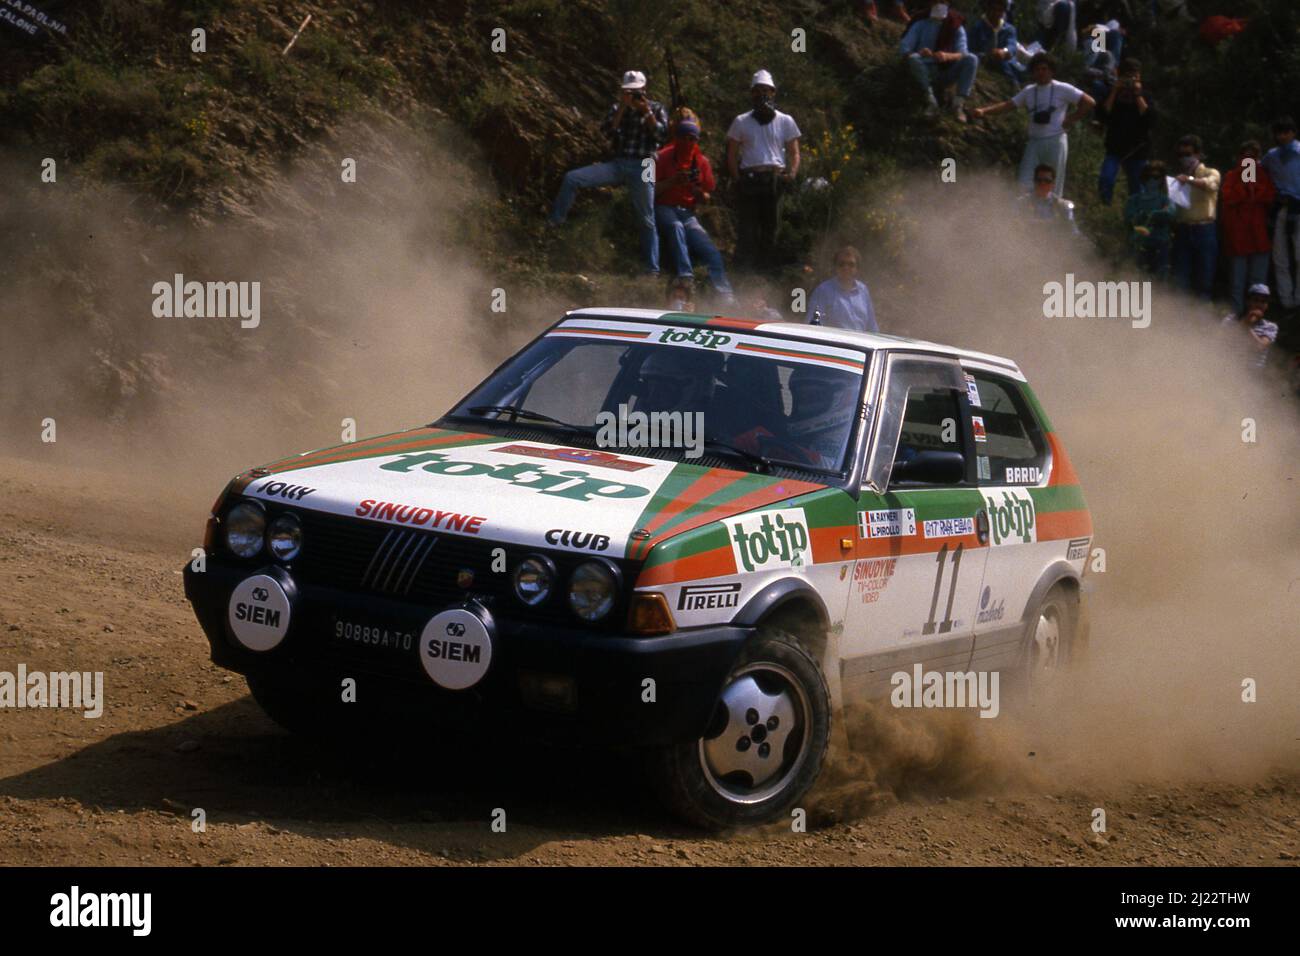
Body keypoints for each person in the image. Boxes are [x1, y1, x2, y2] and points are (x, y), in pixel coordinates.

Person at [549, 70, 668, 275]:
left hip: (645, 164)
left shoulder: (656, 108)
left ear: (644, 90)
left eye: (636, 91)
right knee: (572, 178)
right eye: (628, 91)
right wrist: (622, 108)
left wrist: (646, 111)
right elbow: (606, 134)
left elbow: (661, 134)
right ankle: (554, 225)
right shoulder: (617, 108)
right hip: (619, 163)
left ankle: (652, 269)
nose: (633, 95)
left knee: (646, 217)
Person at [971, 52, 1094, 198]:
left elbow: (1089, 102)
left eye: (1044, 69)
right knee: (1024, 183)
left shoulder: (1063, 88)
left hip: (1056, 141)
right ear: (1033, 72)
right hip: (1034, 142)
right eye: (1037, 70)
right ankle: (1024, 217)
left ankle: (1053, 218)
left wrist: (1071, 119)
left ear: (1051, 70)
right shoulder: (1029, 91)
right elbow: (1008, 105)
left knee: (1053, 185)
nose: (1041, 72)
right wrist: (984, 111)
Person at [726, 70, 802, 272]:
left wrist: (791, 174)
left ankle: (766, 273)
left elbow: (794, 152)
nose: (761, 95)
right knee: (747, 228)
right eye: (757, 91)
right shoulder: (741, 121)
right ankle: (743, 273)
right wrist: (737, 179)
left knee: (771, 228)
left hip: (774, 178)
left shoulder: (785, 120)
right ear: (751, 94)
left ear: (773, 92)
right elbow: (732, 154)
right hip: (750, 178)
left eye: (765, 90)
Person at [654, 118, 735, 304]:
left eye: (693, 139)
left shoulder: (701, 161)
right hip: (663, 206)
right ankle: (686, 276)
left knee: (710, 250)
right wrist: (673, 181)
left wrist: (699, 192)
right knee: (675, 227)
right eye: (685, 138)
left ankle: (725, 294)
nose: (689, 143)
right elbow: (649, 190)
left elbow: (708, 193)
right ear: (677, 138)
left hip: (688, 211)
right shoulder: (661, 157)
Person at [1220, 141, 1276, 319]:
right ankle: (1236, 314)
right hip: (1238, 239)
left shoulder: (1263, 175)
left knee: (1257, 281)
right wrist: (1244, 186)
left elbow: (1269, 196)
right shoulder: (1232, 175)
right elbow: (1228, 197)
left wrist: (1254, 187)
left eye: (1253, 157)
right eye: (1245, 156)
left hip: (1259, 238)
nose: (1248, 161)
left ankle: (1257, 315)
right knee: (1237, 282)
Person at [899, 3, 979, 122]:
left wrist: (947, 56)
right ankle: (930, 101)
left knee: (972, 59)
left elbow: (963, 53)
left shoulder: (955, 24)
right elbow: (905, 48)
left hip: (944, 71)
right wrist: (920, 53)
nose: (939, 3)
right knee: (913, 59)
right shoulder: (921, 22)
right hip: (924, 69)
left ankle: (958, 105)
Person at [1095, 58, 1154, 205]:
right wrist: (1115, 90)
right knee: (1106, 178)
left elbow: (1150, 119)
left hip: (1137, 149)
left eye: (1134, 76)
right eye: (1127, 76)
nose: (1130, 80)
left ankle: (1136, 218)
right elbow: (1103, 114)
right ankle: (1104, 206)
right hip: (1115, 147)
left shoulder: (1145, 96)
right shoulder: (1111, 93)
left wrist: (1137, 95)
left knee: (1137, 189)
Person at [1170, 134, 1221, 300]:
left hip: (1205, 229)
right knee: (1180, 278)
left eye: (1188, 154)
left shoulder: (1210, 172)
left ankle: (1202, 320)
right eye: (1181, 155)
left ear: (1198, 154)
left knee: (1204, 279)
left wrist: (1190, 180)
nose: (1184, 158)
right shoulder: (1177, 179)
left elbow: (1211, 184)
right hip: (1183, 229)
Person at [1262, 117, 1300, 312]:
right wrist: (1246, 162)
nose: (1283, 136)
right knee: (1280, 257)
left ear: (1293, 132)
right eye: (1279, 133)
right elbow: (1254, 172)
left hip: (1299, 208)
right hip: (1281, 208)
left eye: (1287, 132)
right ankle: (1287, 301)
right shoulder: (1271, 156)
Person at [807, 246, 879, 333]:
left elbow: (872, 325)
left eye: (851, 264)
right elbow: (813, 326)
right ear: (835, 267)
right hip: (835, 344)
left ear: (857, 269)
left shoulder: (863, 290)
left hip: (860, 344)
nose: (846, 268)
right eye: (841, 264)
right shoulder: (823, 291)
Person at [1124, 161, 1176, 279]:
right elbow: (1129, 218)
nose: (1152, 180)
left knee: (1159, 281)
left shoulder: (1165, 200)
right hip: (1138, 245)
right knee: (1136, 279)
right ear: (1143, 178)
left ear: (1161, 180)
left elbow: (1171, 213)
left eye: (1156, 177)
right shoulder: (1134, 200)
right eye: (1149, 177)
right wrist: (1142, 216)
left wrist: (1156, 214)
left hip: (1160, 246)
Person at [1220, 284, 1279, 370]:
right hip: (1230, 368)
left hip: (1254, 374)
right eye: (1256, 300)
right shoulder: (1230, 319)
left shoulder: (1270, 327)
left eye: (1263, 301)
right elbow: (1221, 341)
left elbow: (1259, 346)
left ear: (1267, 305)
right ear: (1248, 301)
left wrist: (1246, 326)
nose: (1259, 304)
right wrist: (1246, 322)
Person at [968, 0, 1025, 88]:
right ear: (987, 9)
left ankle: (1015, 87)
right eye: (993, 9)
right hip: (983, 61)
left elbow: (1012, 45)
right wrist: (986, 56)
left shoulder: (1009, 29)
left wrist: (1004, 51)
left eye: (1000, 10)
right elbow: (970, 50)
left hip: (1005, 61)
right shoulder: (977, 27)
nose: (996, 13)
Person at [1018, 163, 1078, 232]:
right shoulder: (1022, 203)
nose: (1043, 184)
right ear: (1034, 181)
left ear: (1053, 184)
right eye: (1039, 180)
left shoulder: (1062, 206)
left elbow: (1073, 232)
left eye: (1047, 181)